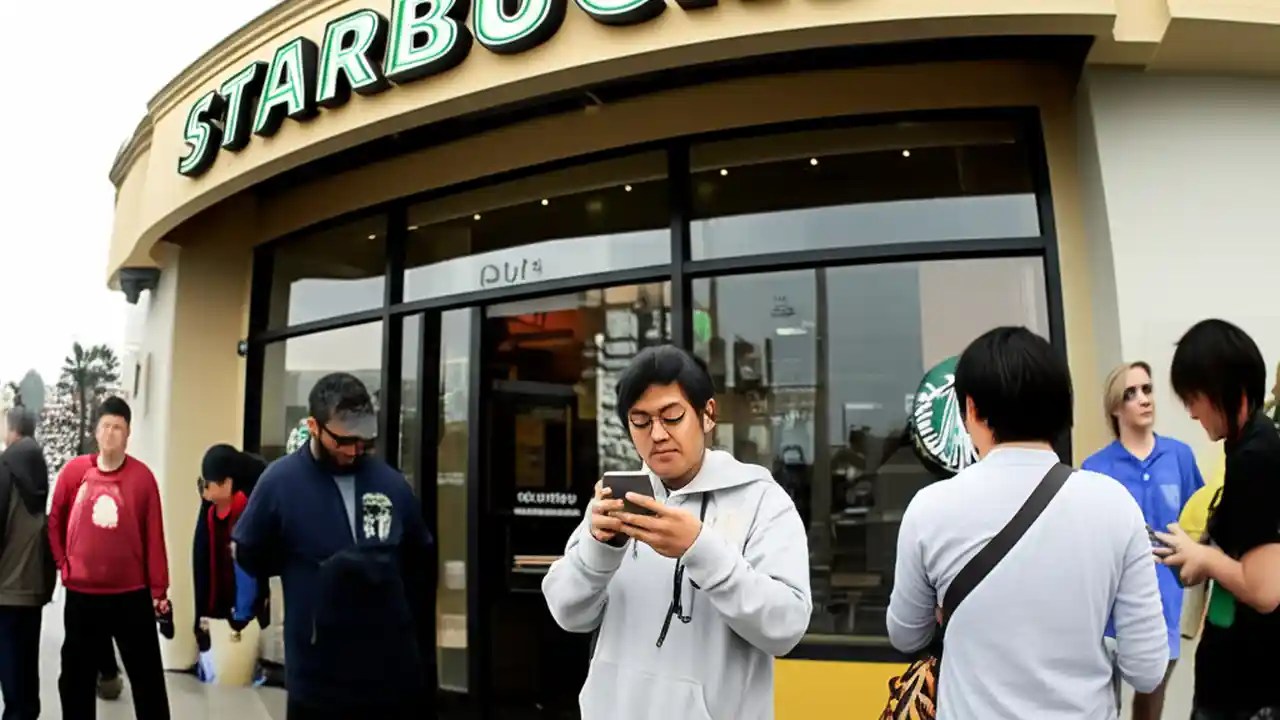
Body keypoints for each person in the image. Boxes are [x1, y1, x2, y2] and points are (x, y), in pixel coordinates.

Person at [886, 327, 1168, 719]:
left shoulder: (930, 508)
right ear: (1060, 409)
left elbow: (905, 635)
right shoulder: (1115, 504)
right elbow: (1147, 670)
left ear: (971, 409)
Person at [541, 345, 811, 720]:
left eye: (672, 416)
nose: (658, 434)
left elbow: (786, 628)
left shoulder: (763, 501)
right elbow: (568, 614)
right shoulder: (616, 498)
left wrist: (702, 551)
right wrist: (598, 550)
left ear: (708, 414)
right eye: (640, 421)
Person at [232, 373, 434, 720]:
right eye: (343, 440)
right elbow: (249, 550)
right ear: (314, 426)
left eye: (363, 441)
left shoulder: (390, 483)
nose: (354, 450)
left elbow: (419, 559)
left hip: (390, 675)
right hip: (316, 677)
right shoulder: (280, 482)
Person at [1155, 319, 1280, 720]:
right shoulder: (1244, 444)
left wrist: (1203, 558)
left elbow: (1265, 590)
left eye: (1194, 398)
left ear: (1228, 390)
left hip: (1249, 691)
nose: (1191, 412)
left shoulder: (1257, 456)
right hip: (1232, 678)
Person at [1082, 361, 1204, 720]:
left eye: (1147, 389)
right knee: (1106, 705)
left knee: (1151, 705)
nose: (1143, 399)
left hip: (1166, 602)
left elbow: (1197, 525)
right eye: (1131, 393)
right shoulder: (1095, 469)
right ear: (1115, 408)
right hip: (1110, 606)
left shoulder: (1179, 456)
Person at [48, 397, 171, 720]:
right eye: (106, 426)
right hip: (82, 595)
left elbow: (154, 536)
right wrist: (63, 564)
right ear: (95, 431)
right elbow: (55, 520)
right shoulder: (76, 472)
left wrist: (160, 590)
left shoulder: (142, 479)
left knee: (147, 680)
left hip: (130, 594)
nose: (111, 434)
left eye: (118, 427)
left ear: (128, 433)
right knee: (75, 677)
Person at [192, 444, 270, 675]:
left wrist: (244, 616)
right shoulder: (211, 510)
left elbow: (250, 566)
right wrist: (202, 618)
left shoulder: (254, 501)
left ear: (226, 483)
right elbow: (202, 559)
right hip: (225, 604)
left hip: (247, 611)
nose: (204, 493)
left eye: (208, 485)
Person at [0, 407, 54, 720]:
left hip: (5, 585)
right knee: (26, 661)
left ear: (12, 429)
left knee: (9, 666)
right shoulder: (38, 467)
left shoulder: (6, 467)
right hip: (33, 584)